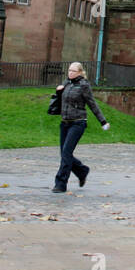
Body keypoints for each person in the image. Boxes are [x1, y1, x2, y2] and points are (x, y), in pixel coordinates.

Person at [52, 62, 110, 193]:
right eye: (69, 70)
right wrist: (58, 92)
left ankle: (60, 184)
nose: (70, 73)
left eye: (73, 71)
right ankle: (82, 171)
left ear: (79, 72)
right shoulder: (66, 83)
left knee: (66, 152)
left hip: (78, 123)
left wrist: (103, 121)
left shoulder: (84, 85)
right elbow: (61, 102)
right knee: (64, 153)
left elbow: (92, 104)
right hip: (65, 122)